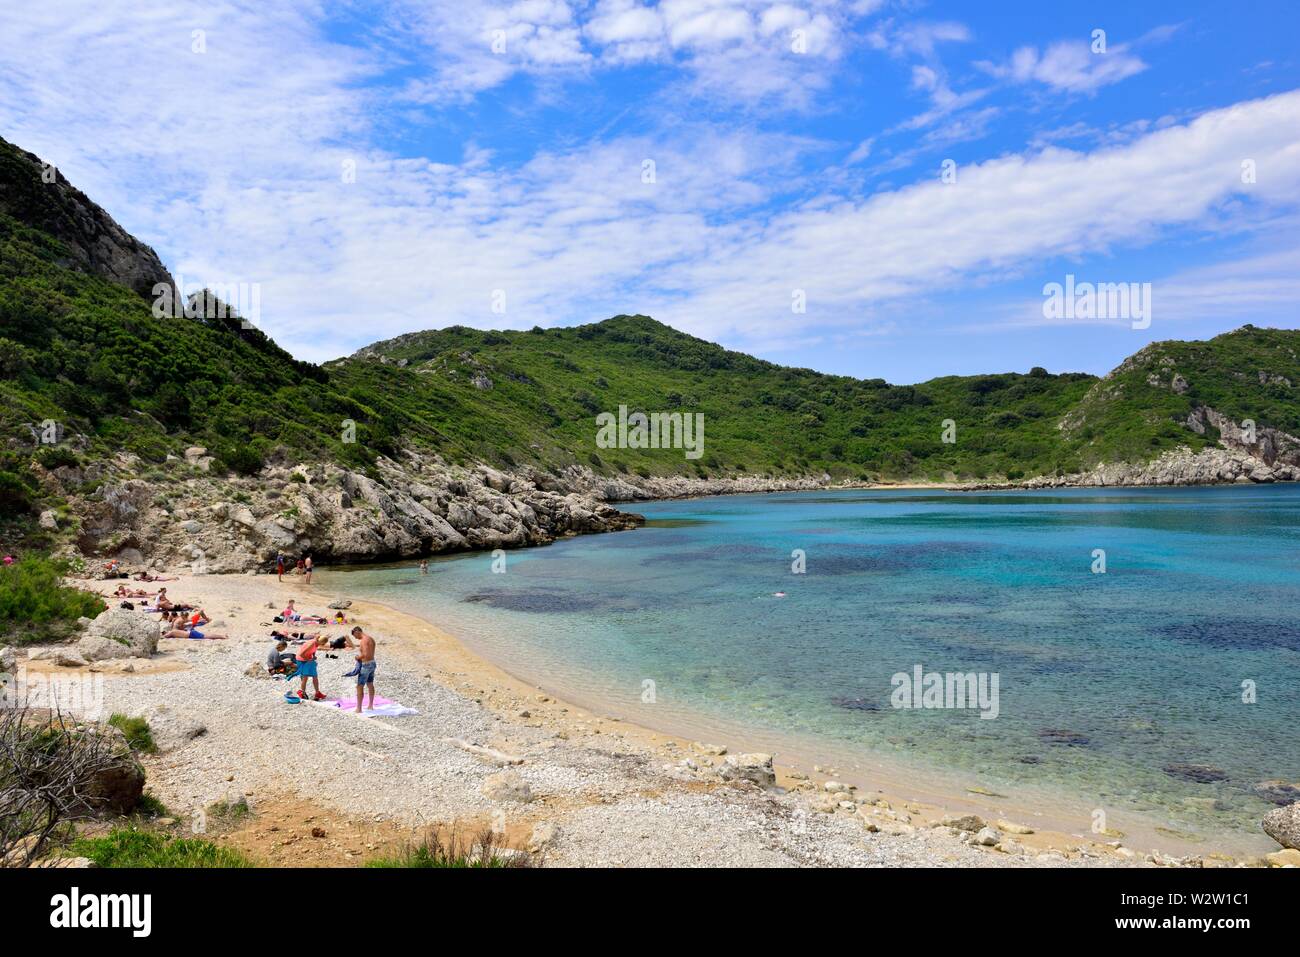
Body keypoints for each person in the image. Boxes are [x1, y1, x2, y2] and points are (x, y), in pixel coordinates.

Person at [350, 626, 376, 714]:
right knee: (370, 684)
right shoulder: (371, 639)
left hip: (366, 665)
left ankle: (359, 709)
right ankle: (370, 705)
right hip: (372, 663)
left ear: (357, 631)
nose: (356, 638)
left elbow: (365, 654)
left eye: (355, 636)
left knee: (359, 686)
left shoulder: (364, 640)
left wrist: (358, 657)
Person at [294, 635, 328, 701]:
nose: (323, 645)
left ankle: (317, 693)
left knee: (315, 676)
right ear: (321, 642)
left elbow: (314, 650)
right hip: (301, 660)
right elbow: (301, 654)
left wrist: (314, 656)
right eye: (323, 643)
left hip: (309, 658)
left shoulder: (317, 643)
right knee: (305, 677)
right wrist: (309, 659)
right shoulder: (312, 643)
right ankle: (302, 692)